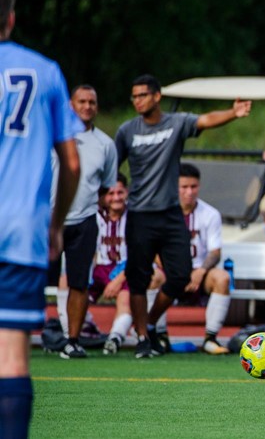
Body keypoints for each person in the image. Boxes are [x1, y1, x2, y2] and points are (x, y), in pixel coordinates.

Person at [115, 74, 251, 359]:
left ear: (156, 96)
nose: (137, 101)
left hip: (169, 214)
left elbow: (205, 119)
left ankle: (150, 323)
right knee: (138, 281)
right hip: (139, 214)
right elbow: (112, 167)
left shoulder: (175, 123)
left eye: (142, 95)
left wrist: (233, 113)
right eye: (134, 96)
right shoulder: (127, 131)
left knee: (178, 277)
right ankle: (142, 339)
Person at [0, 0, 82, 439]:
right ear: (11, 18)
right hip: (19, 230)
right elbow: (70, 160)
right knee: (11, 356)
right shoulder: (44, 70)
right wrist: (56, 225)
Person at [50, 84, 118, 359]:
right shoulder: (51, 137)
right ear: (71, 105)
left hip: (85, 221)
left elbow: (105, 187)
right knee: (27, 277)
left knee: (80, 283)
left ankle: (72, 340)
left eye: (92, 101)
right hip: (49, 220)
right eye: (82, 101)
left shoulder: (105, 144)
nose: (87, 106)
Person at [92, 174, 167, 355]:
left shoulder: (136, 216)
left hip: (128, 267)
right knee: (69, 282)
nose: (116, 197)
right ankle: (75, 334)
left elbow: (145, 252)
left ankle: (117, 336)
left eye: (120, 192)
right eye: (111, 193)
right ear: (102, 195)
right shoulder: (93, 215)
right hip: (101, 268)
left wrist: (118, 279)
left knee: (130, 292)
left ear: (127, 192)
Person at [176, 162, 232, 354]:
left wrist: (200, 271)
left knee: (222, 278)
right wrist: (177, 272)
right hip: (171, 271)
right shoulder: (165, 212)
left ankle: (211, 337)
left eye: (193, 187)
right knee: (152, 277)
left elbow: (215, 251)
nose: (189, 192)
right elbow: (156, 250)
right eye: (184, 187)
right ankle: (157, 336)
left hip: (200, 272)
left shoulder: (210, 214)